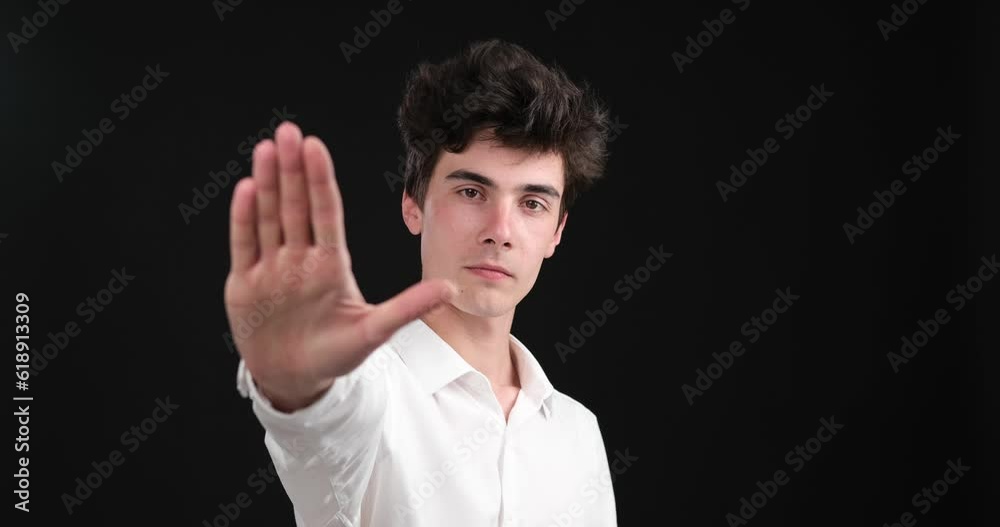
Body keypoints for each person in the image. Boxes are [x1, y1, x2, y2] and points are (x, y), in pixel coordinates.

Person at [225, 38, 617, 526]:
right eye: (471, 191)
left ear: (556, 231)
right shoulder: (370, 390)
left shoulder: (578, 434)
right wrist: (300, 387)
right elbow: (323, 429)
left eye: (532, 203)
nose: (500, 230)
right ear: (413, 203)